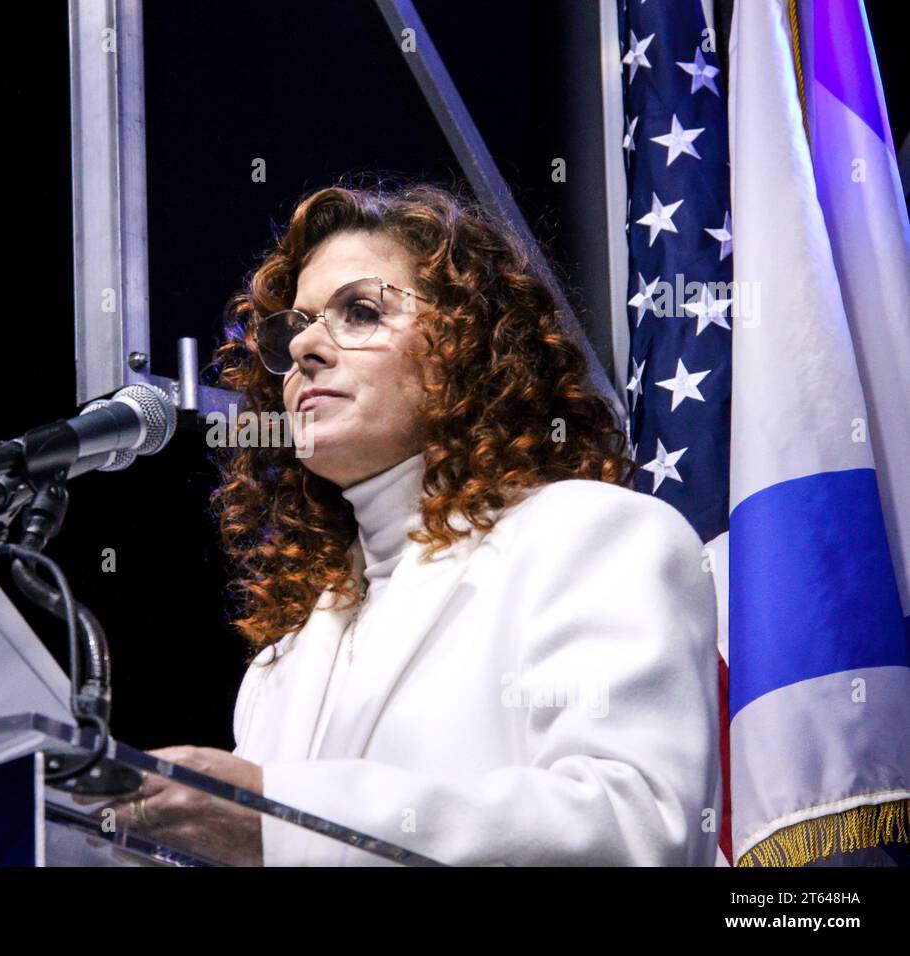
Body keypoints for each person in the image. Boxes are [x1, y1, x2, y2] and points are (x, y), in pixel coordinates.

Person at [108, 178, 721, 866]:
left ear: (467, 346)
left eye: (361, 311)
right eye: (298, 325)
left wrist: (278, 821)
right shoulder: (280, 667)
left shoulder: (597, 538)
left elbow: (633, 830)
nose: (306, 348)